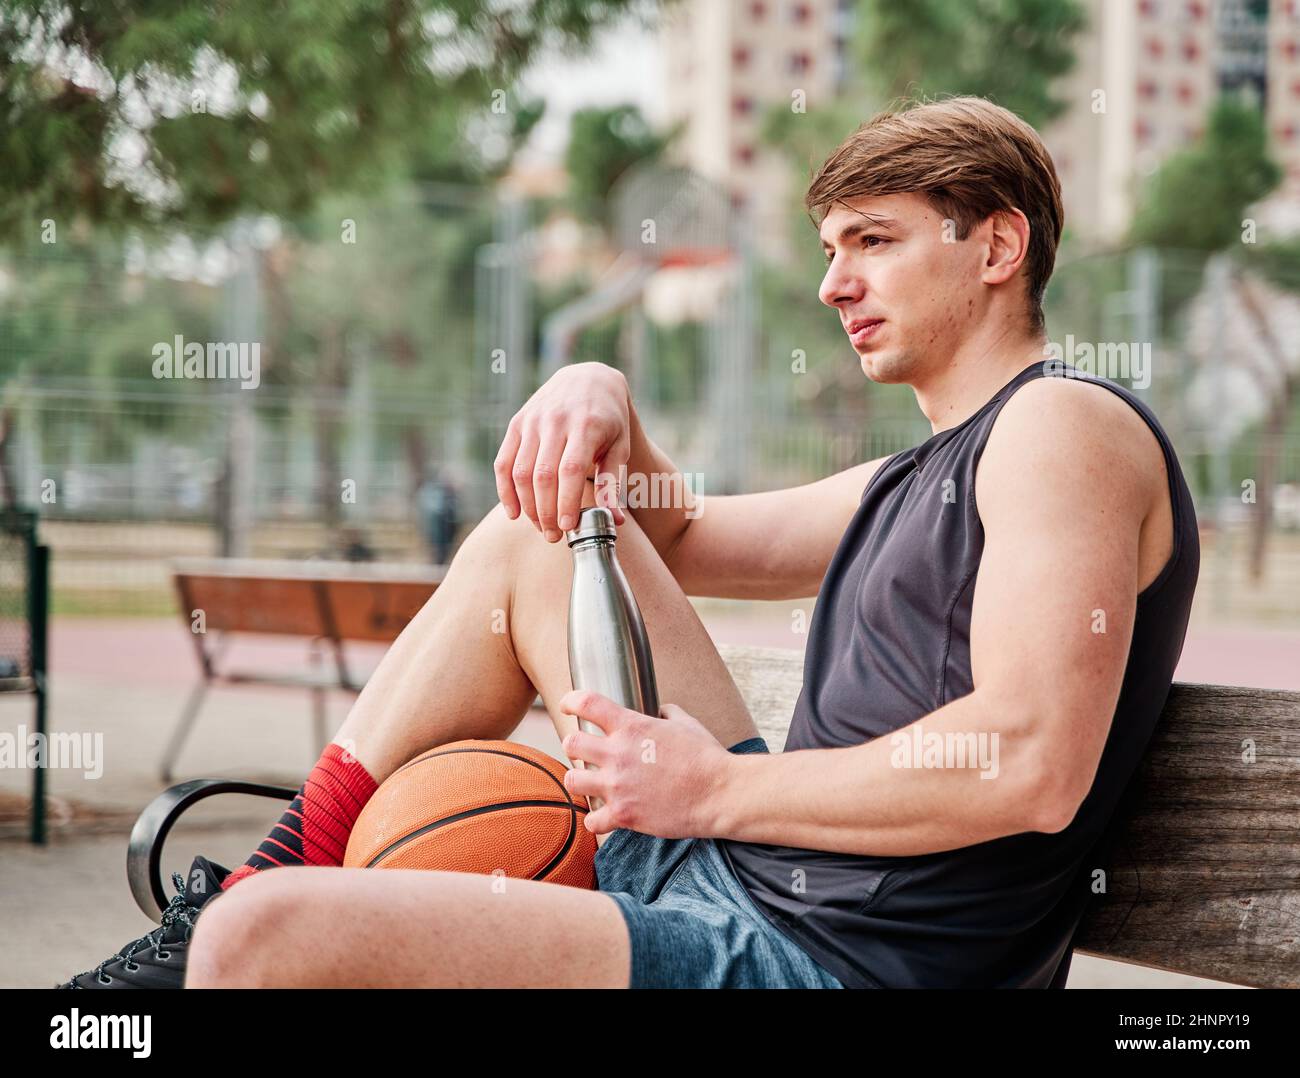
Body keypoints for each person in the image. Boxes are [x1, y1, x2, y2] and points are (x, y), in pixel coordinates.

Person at [59, 95, 1198, 989]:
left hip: (844, 963)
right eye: (827, 246)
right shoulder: (914, 471)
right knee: (539, 532)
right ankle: (260, 868)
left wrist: (711, 796)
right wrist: (596, 386)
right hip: (755, 877)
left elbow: (1028, 760)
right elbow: (682, 532)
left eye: (872, 241)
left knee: (263, 947)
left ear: (997, 246)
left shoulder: (1061, 425)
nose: (830, 282)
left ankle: (240, 907)